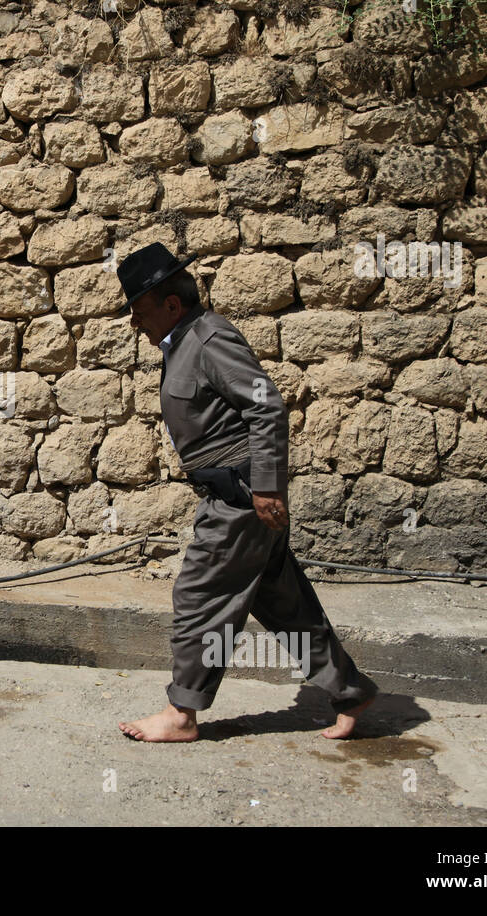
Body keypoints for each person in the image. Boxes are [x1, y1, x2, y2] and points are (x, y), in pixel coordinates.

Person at [114, 242, 379, 743]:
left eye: (140, 311)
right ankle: (349, 690)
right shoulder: (182, 343)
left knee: (198, 594)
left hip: (240, 501)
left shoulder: (210, 339)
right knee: (284, 603)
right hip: (239, 498)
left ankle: (182, 713)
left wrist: (266, 488)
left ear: (171, 304)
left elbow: (266, 406)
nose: (135, 323)